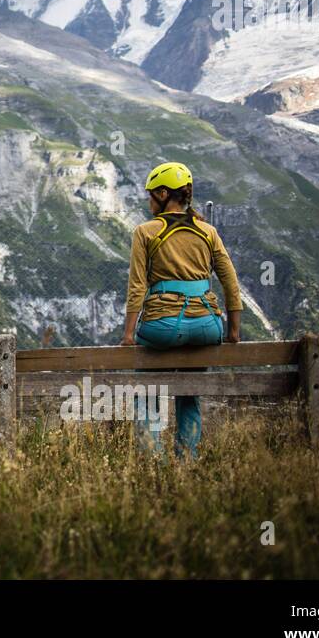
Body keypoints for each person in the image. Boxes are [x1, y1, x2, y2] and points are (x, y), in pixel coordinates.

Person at [121, 161, 241, 459]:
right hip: (206, 327)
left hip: (162, 327)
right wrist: (234, 331)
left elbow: (137, 286)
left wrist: (128, 335)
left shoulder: (145, 232)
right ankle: (188, 459)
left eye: (151, 194)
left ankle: (154, 461)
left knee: (147, 391)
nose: (148, 200)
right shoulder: (208, 231)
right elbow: (230, 282)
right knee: (190, 393)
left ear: (163, 194)